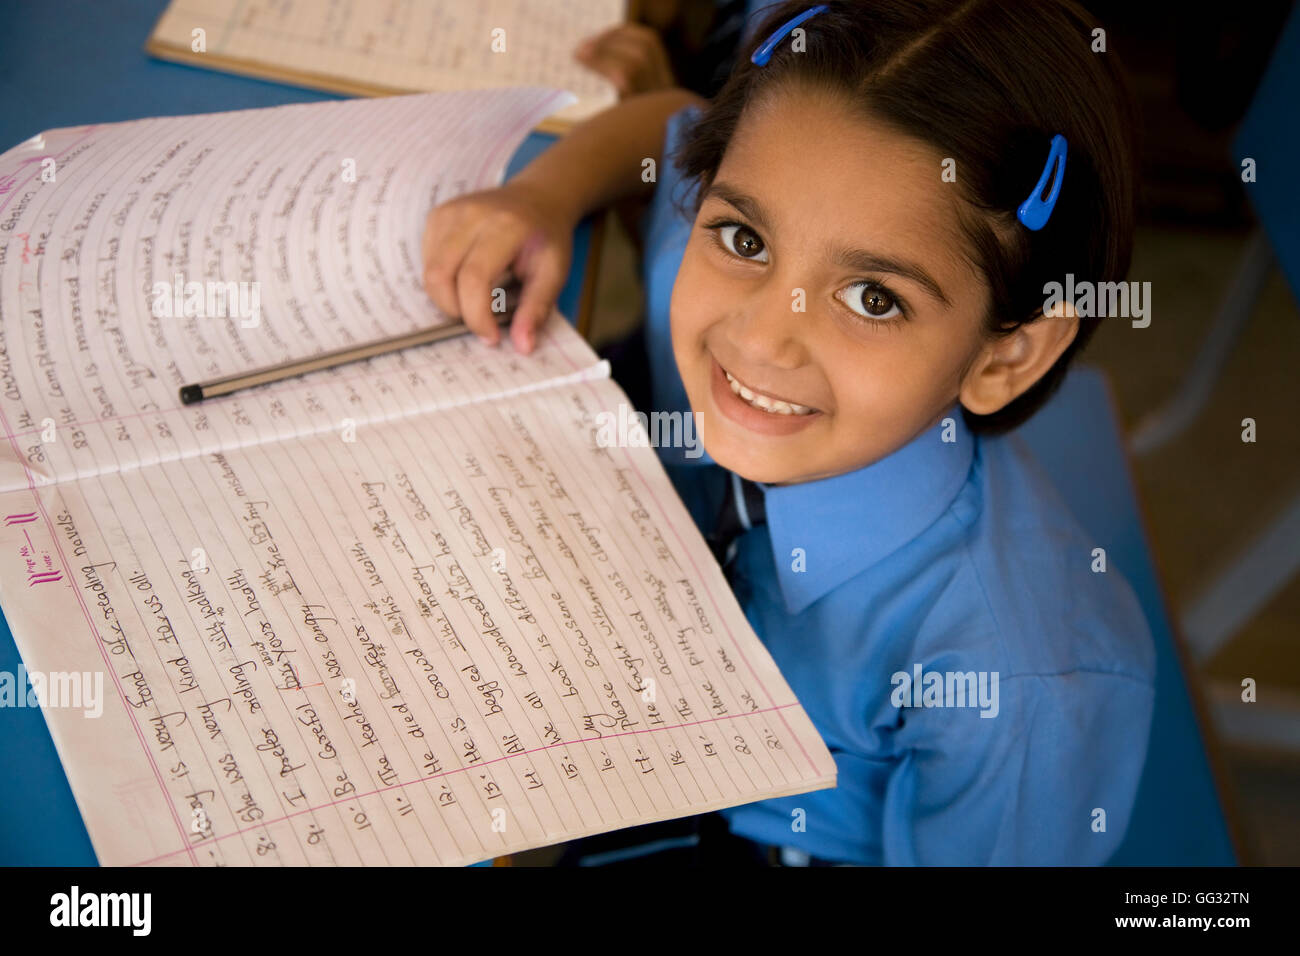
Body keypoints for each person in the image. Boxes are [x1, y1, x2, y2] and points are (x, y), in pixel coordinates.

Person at [422, 0, 1155, 865]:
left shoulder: (1017, 689)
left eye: (873, 299)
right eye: (744, 237)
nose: (761, 339)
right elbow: (673, 126)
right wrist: (542, 194)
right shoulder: (704, 300)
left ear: (1007, 356)